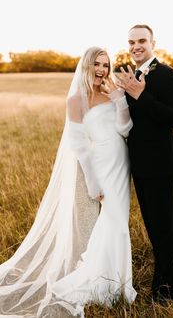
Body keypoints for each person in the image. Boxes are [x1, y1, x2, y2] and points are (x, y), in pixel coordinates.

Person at [0, 47, 136, 317]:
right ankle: (104, 284)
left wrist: (120, 101)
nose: (101, 69)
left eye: (106, 65)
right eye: (96, 64)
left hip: (121, 162)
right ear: (86, 66)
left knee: (119, 222)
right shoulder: (76, 99)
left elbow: (125, 129)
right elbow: (79, 145)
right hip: (101, 166)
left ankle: (113, 281)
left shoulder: (109, 93)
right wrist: (93, 182)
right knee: (116, 222)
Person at [115, 24, 173, 302]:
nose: (135, 46)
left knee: (164, 228)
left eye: (141, 40)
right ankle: (161, 280)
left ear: (153, 42)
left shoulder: (167, 75)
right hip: (139, 166)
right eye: (131, 42)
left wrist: (140, 96)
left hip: (160, 166)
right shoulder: (130, 75)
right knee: (153, 227)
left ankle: (166, 291)